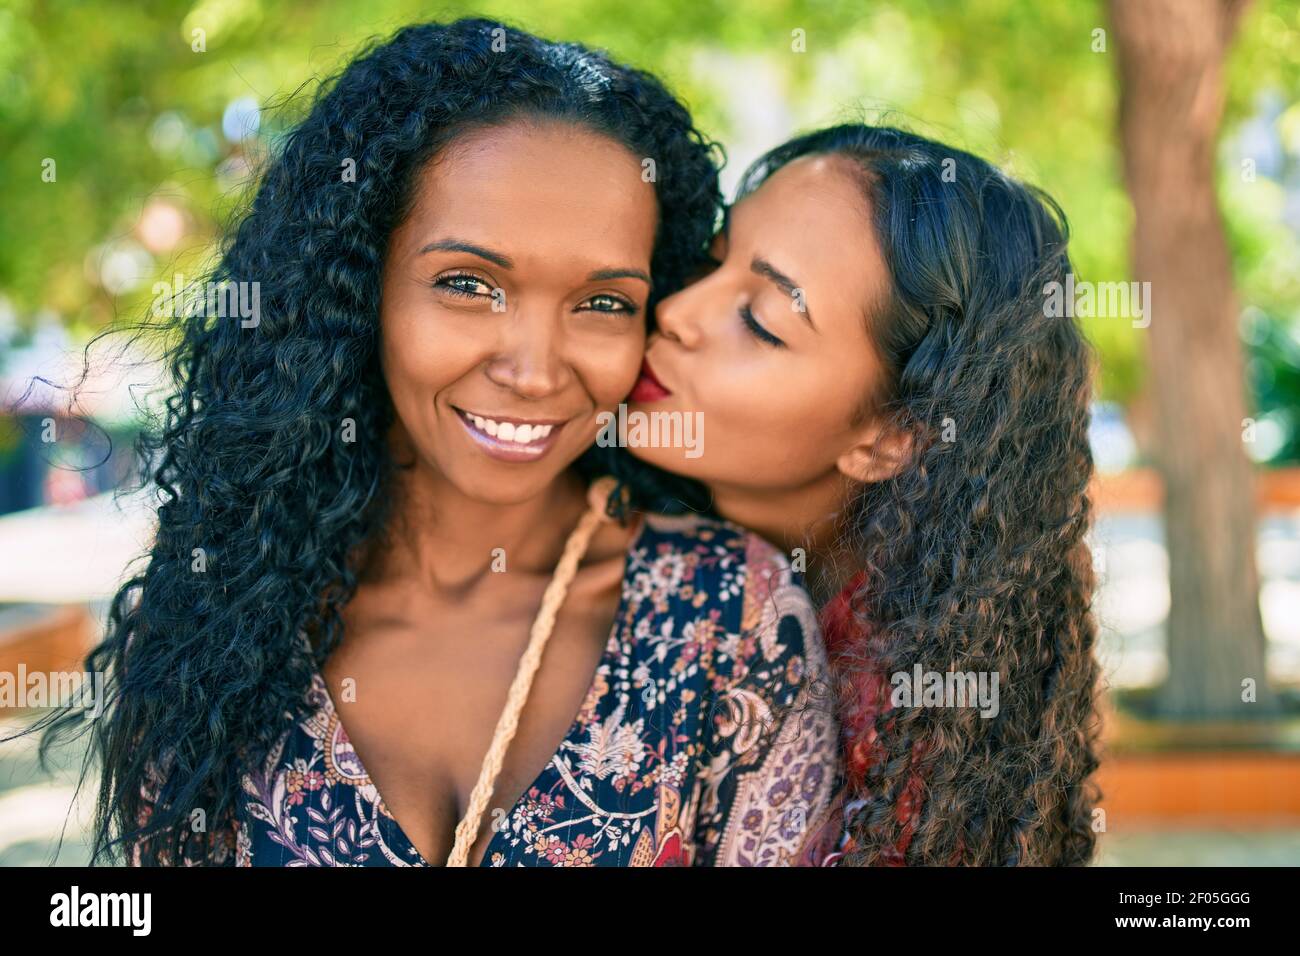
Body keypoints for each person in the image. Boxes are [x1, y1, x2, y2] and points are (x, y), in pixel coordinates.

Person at [34, 19, 839, 867]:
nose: (534, 370)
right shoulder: (224, 612)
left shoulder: (732, 623)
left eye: (602, 302)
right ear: (360, 287)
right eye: (468, 285)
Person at [626, 124, 1104, 866]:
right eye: (709, 263)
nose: (677, 311)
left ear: (889, 438)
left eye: (760, 321)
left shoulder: (902, 730)